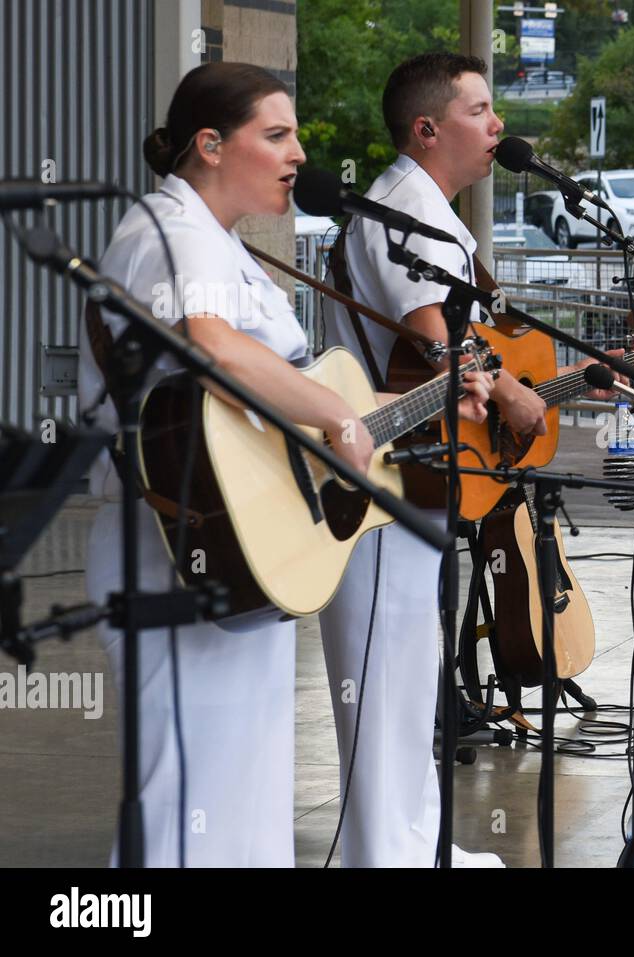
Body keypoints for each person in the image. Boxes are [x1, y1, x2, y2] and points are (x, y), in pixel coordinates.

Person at [76, 62, 489, 866]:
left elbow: (278, 397)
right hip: (172, 541)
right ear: (209, 144)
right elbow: (211, 345)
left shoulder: (220, 244)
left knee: (243, 793)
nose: (298, 152)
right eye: (276, 135)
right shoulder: (169, 231)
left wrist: (397, 405)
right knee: (189, 797)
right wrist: (336, 413)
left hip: (238, 542)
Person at [319, 52, 615, 866]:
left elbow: (476, 351)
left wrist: (542, 384)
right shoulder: (397, 209)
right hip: (380, 474)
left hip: (426, 471)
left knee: (413, 673)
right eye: (481, 111)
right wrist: (513, 391)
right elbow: (435, 345)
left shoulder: (432, 215)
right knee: (383, 674)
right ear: (427, 128)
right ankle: (381, 852)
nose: (498, 127)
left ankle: (414, 841)